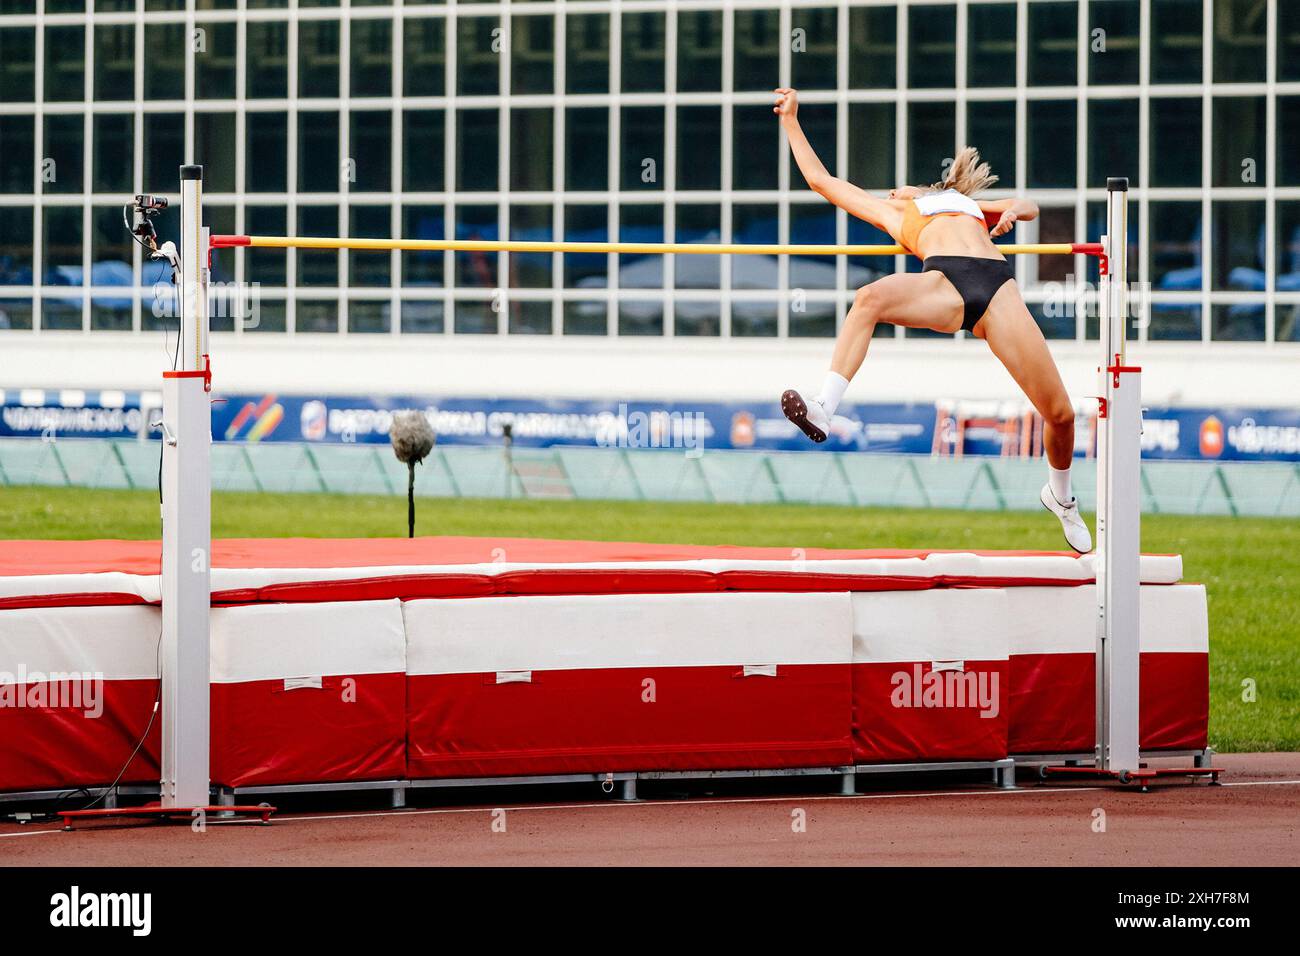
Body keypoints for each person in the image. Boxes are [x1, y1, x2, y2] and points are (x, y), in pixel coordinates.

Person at [773, 87, 1091, 553]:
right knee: (869, 299)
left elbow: (1029, 205)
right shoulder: (893, 212)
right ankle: (824, 405)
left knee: (1060, 415)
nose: (893, 192)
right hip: (945, 282)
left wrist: (1009, 214)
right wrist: (791, 121)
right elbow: (822, 181)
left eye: (900, 189)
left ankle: (1060, 497)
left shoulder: (964, 205)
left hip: (998, 289)